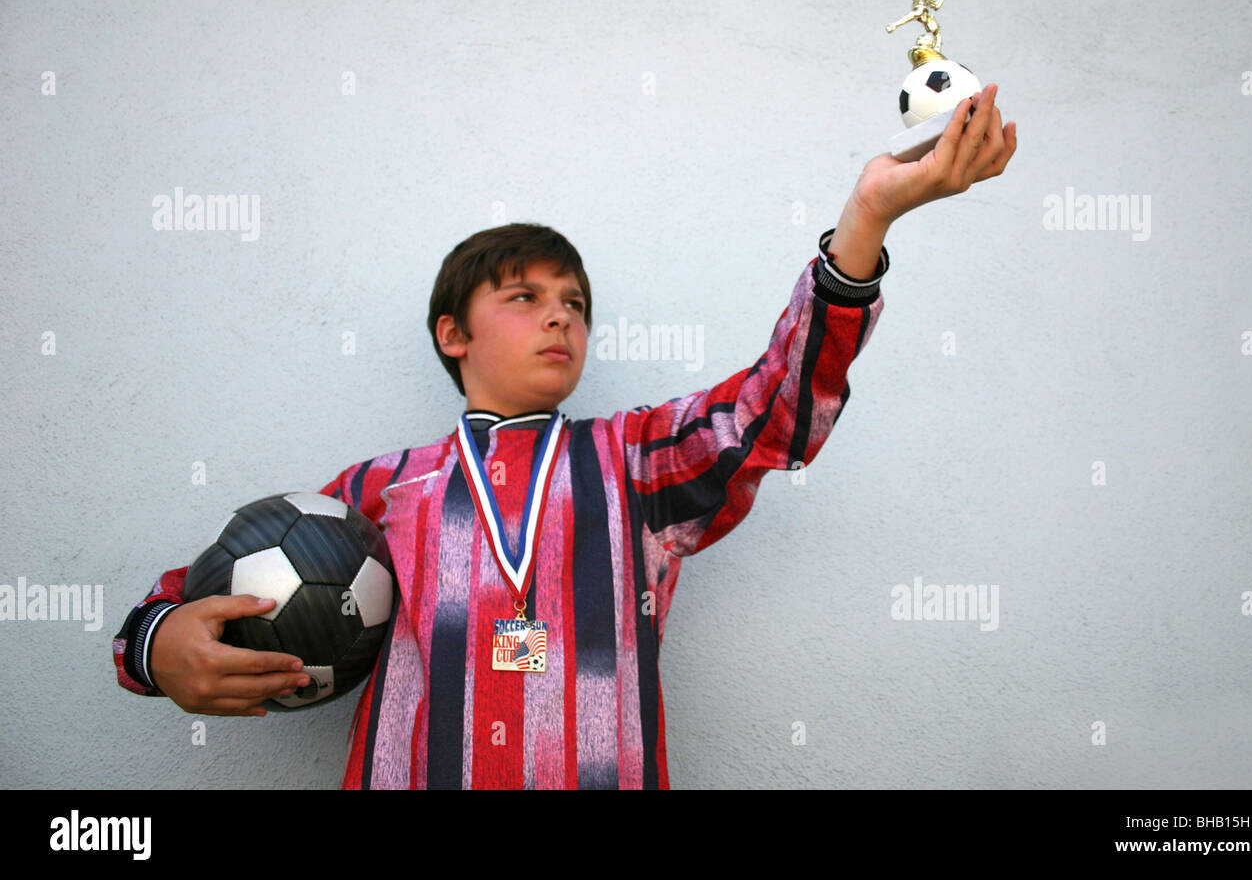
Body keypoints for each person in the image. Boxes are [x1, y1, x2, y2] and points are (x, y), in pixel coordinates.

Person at [112, 88, 1016, 788]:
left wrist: (866, 220)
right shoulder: (379, 492)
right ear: (451, 333)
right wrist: (162, 646)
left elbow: (774, 410)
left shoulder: (636, 463)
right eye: (525, 297)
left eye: (575, 304)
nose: (560, 318)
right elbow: (184, 599)